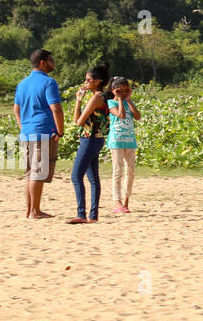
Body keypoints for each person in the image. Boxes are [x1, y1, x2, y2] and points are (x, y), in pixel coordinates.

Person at [13, 49, 65, 219]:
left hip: (27, 132)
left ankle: (30, 210)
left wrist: (23, 126)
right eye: (51, 60)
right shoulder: (49, 83)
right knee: (39, 172)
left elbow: (16, 109)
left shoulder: (23, 83)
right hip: (43, 130)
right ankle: (35, 211)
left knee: (31, 172)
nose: (53, 63)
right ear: (43, 62)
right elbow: (56, 108)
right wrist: (60, 130)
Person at [68, 65, 111, 224]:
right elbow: (77, 119)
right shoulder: (101, 97)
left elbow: (79, 122)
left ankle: (81, 214)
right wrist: (79, 100)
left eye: (88, 80)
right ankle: (93, 215)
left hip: (90, 139)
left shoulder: (96, 98)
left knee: (76, 176)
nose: (85, 82)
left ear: (97, 82)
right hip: (96, 139)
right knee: (93, 179)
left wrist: (80, 101)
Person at [106, 76, 140, 214]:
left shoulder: (128, 102)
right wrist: (119, 99)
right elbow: (120, 115)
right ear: (114, 90)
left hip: (129, 141)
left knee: (130, 171)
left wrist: (128, 100)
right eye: (121, 90)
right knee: (118, 171)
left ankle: (126, 201)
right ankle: (117, 201)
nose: (124, 93)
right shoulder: (110, 103)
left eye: (126, 90)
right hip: (116, 141)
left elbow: (137, 116)